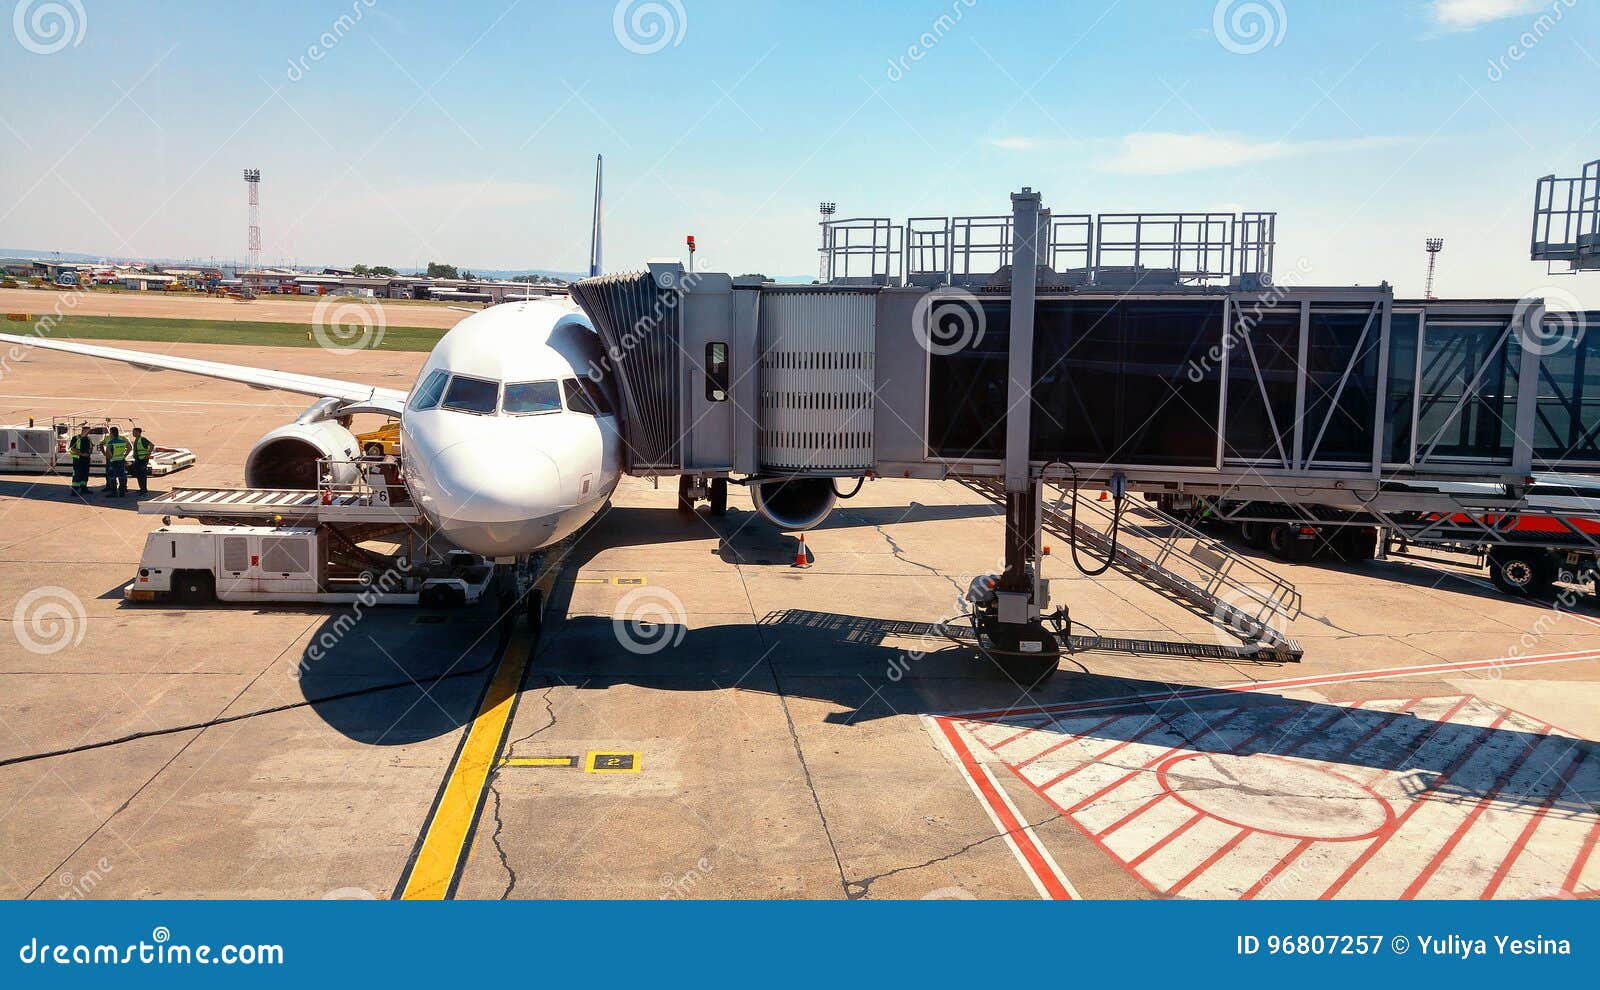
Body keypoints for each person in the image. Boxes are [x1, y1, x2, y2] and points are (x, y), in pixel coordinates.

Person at [100, 426, 130, 498]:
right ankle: (122, 492)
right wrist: (124, 455)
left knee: (112, 477)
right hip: (121, 460)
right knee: (121, 476)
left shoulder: (110, 442)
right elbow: (129, 448)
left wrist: (108, 456)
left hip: (113, 461)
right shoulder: (122, 441)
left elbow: (108, 452)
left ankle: (114, 493)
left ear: (112, 433)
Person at [68, 425, 93, 495]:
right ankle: (74, 490)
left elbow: (91, 447)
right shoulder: (75, 438)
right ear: (84, 430)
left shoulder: (88, 439)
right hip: (78, 459)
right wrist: (82, 454)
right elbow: (73, 448)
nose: (89, 432)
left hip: (86, 459)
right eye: (88, 431)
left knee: (85, 474)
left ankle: (84, 488)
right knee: (77, 474)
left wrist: (89, 452)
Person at [129, 427, 154, 496]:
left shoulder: (142, 439)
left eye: (134, 432)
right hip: (138, 459)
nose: (133, 433)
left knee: (142, 475)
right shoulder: (136, 440)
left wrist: (148, 454)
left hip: (143, 459)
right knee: (139, 475)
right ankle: (141, 489)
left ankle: (144, 490)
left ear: (138, 432)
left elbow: (152, 445)